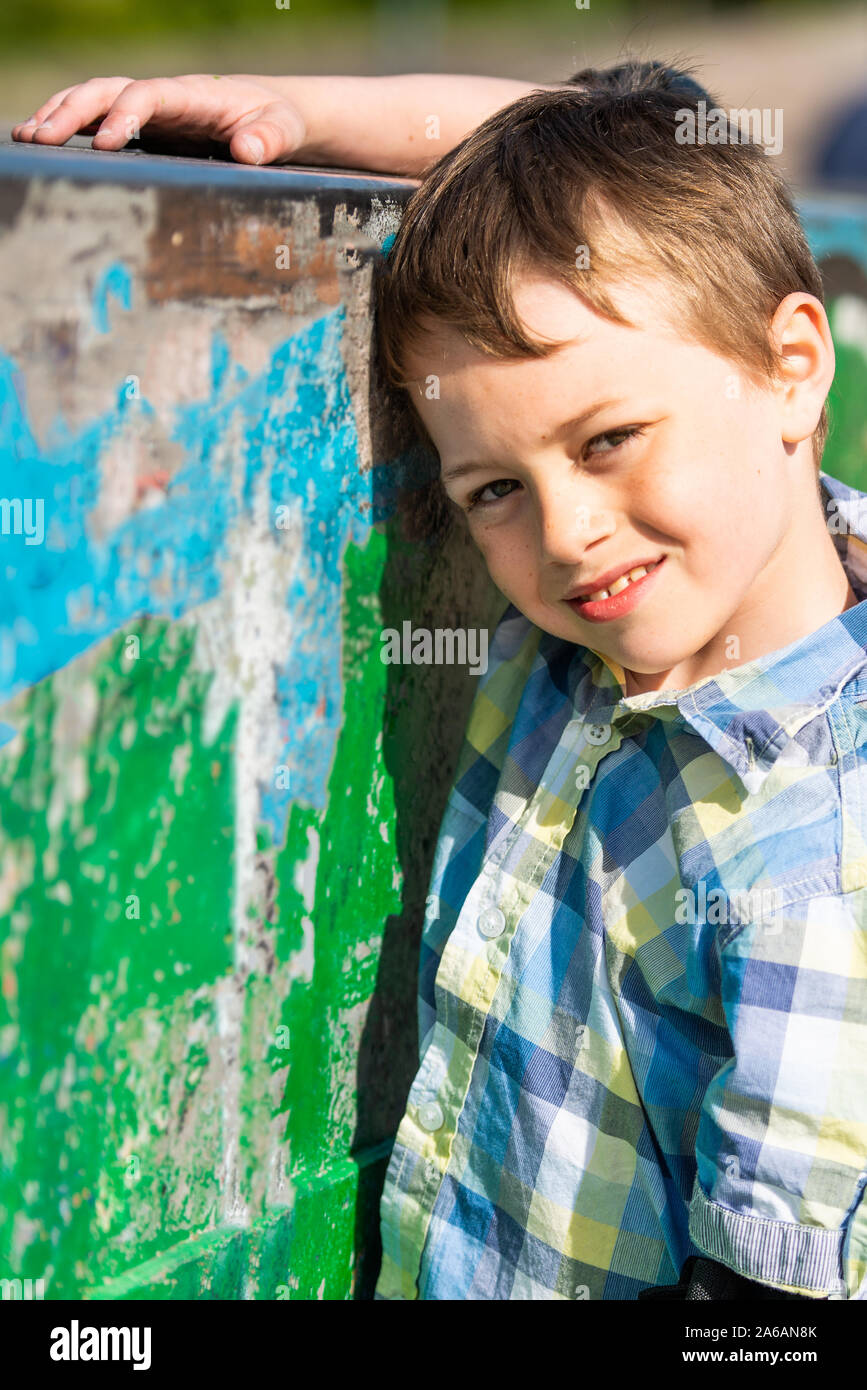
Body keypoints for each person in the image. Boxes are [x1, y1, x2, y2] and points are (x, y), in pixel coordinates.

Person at [15, 61, 867, 1302]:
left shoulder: (819, 857)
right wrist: (292, 113)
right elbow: (580, 155)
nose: (568, 532)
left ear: (795, 366)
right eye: (494, 493)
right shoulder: (634, 619)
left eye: (608, 441)